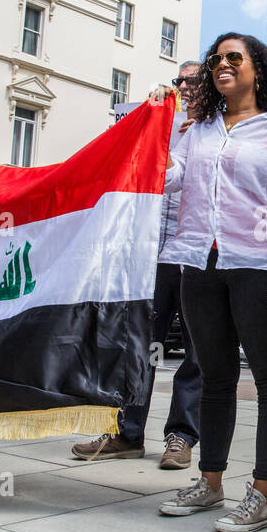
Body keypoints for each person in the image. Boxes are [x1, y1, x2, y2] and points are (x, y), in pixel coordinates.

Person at [154, 34, 267, 532]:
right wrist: (157, 124)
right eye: (217, 59)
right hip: (199, 264)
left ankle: (263, 495)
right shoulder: (196, 130)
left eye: (233, 58)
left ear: (256, 69)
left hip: (261, 266)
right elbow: (167, 178)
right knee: (215, 378)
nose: (222, 65)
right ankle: (210, 482)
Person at [73, 60, 205, 469]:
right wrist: (150, 126)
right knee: (142, 345)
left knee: (196, 352)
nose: (182, 86)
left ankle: (180, 437)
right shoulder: (159, 123)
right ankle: (126, 433)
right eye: (178, 80)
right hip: (151, 253)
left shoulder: (210, 131)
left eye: (191, 80)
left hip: (193, 251)